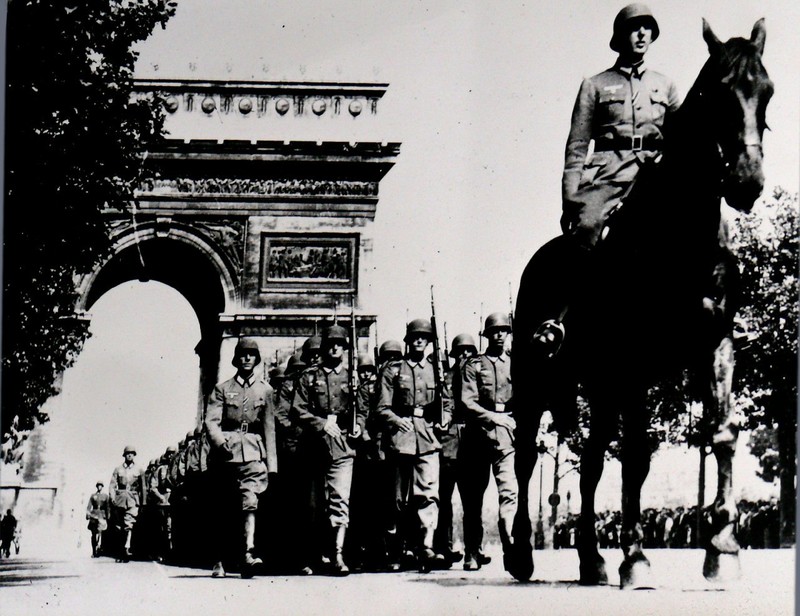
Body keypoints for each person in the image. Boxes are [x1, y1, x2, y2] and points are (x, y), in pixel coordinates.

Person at [535, 3, 680, 354]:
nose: (642, 34)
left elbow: (682, 138)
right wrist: (572, 199)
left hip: (653, 174)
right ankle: (560, 319)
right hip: (607, 176)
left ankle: (716, 315)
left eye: (647, 28)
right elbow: (577, 146)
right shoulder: (595, 85)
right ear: (620, 37)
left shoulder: (667, 85)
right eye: (635, 28)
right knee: (587, 229)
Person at [291, 325, 367, 575]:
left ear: (345, 348)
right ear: (324, 348)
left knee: (340, 502)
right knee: (312, 506)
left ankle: (337, 555)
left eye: (340, 344)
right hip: (314, 446)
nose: (335, 348)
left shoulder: (352, 378)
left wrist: (358, 426)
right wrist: (322, 424)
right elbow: (298, 409)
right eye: (330, 344)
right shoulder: (309, 377)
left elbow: (363, 409)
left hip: (343, 445)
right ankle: (310, 556)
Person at [377, 319, 449, 572]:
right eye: (415, 337)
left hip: (427, 436)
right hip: (401, 436)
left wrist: (444, 420)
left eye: (424, 338)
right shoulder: (394, 370)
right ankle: (395, 548)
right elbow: (382, 408)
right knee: (397, 499)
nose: (419, 341)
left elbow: (446, 403)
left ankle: (425, 546)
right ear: (408, 341)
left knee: (429, 494)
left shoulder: (436, 370)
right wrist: (397, 420)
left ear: (429, 343)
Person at [205, 337, 277, 578]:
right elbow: (211, 421)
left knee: (250, 503)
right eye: (243, 354)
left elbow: (269, 428)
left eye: (251, 355)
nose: (247, 358)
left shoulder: (265, 390)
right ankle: (219, 559)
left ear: (257, 360)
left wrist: (272, 464)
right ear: (236, 359)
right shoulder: (222, 389)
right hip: (226, 454)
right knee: (223, 508)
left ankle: (248, 553)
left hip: (254, 454)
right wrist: (219, 442)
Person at [461, 313, 518, 572]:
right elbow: (467, 401)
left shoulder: (516, 364)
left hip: (507, 439)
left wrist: (515, 420)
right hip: (478, 438)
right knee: (473, 500)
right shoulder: (474, 365)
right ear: (486, 335)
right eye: (494, 331)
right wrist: (494, 417)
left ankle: (511, 546)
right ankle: (472, 551)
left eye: (503, 331)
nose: (499, 335)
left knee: (510, 493)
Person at [433, 333, 478, 566]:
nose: (465, 356)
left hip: (472, 440)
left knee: (472, 501)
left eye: (469, 352)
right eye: (460, 353)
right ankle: (443, 548)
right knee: (444, 499)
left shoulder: (479, 375)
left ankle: (474, 549)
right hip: (449, 441)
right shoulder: (446, 378)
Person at [110, 445, 146, 562]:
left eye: (132, 453)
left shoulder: (139, 470)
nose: (129, 455)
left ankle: (125, 549)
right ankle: (121, 549)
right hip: (120, 500)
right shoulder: (118, 469)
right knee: (120, 526)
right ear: (124, 455)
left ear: (134, 455)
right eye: (127, 453)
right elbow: (112, 485)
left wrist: (143, 502)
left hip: (133, 500)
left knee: (128, 525)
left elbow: (143, 487)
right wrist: (112, 497)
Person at [86, 481, 110, 557]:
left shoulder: (105, 496)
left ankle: (98, 547)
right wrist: (88, 513)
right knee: (93, 533)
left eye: (101, 486)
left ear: (102, 487)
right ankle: (93, 551)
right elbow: (89, 506)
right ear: (96, 487)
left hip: (102, 515)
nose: (99, 487)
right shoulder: (93, 496)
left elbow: (107, 507)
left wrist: (108, 515)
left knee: (100, 532)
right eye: (98, 486)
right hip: (94, 514)